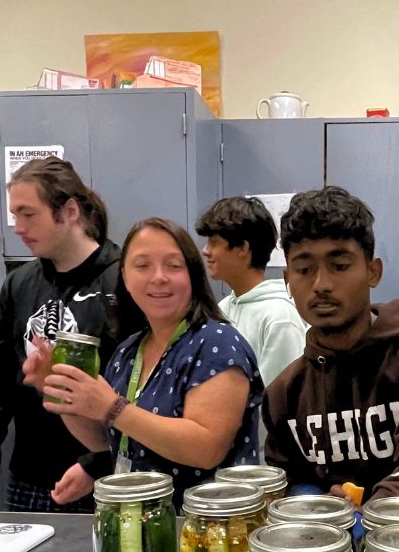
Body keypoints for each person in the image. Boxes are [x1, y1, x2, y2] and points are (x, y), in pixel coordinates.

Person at [262, 186, 399, 523]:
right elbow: (291, 480)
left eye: (339, 265)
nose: (321, 284)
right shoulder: (285, 392)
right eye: (305, 269)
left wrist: (373, 513)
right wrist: (317, 504)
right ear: (287, 279)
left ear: (373, 272)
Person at [42, 217, 262, 510]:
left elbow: (206, 448)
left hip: (203, 529)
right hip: (135, 521)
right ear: (125, 278)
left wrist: (112, 407)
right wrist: (68, 396)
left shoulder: (216, 342)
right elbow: (105, 440)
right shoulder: (129, 351)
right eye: (142, 266)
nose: (158, 277)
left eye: (173, 265)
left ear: (192, 276)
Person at [0, 157, 137, 512]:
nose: (18, 227)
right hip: (29, 474)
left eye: (28, 214)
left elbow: (140, 387)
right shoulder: (20, 283)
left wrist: (97, 462)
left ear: (69, 211)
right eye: (14, 215)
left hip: (105, 475)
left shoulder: (123, 279)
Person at [196, 196, 306, 386]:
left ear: (242, 248)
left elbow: (278, 400)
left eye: (214, 242)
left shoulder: (279, 317)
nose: (206, 250)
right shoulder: (221, 309)